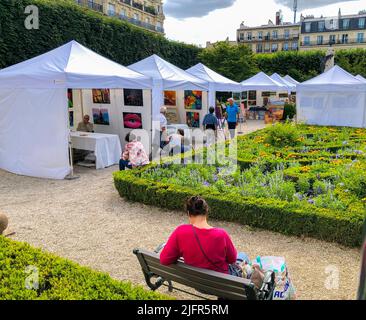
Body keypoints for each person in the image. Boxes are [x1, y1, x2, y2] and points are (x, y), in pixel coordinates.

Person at [160, 196, 243, 275]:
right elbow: (232, 259)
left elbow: (164, 259)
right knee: (243, 256)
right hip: (222, 283)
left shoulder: (180, 231)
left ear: (189, 213)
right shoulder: (221, 234)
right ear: (206, 211)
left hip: (197, 283)